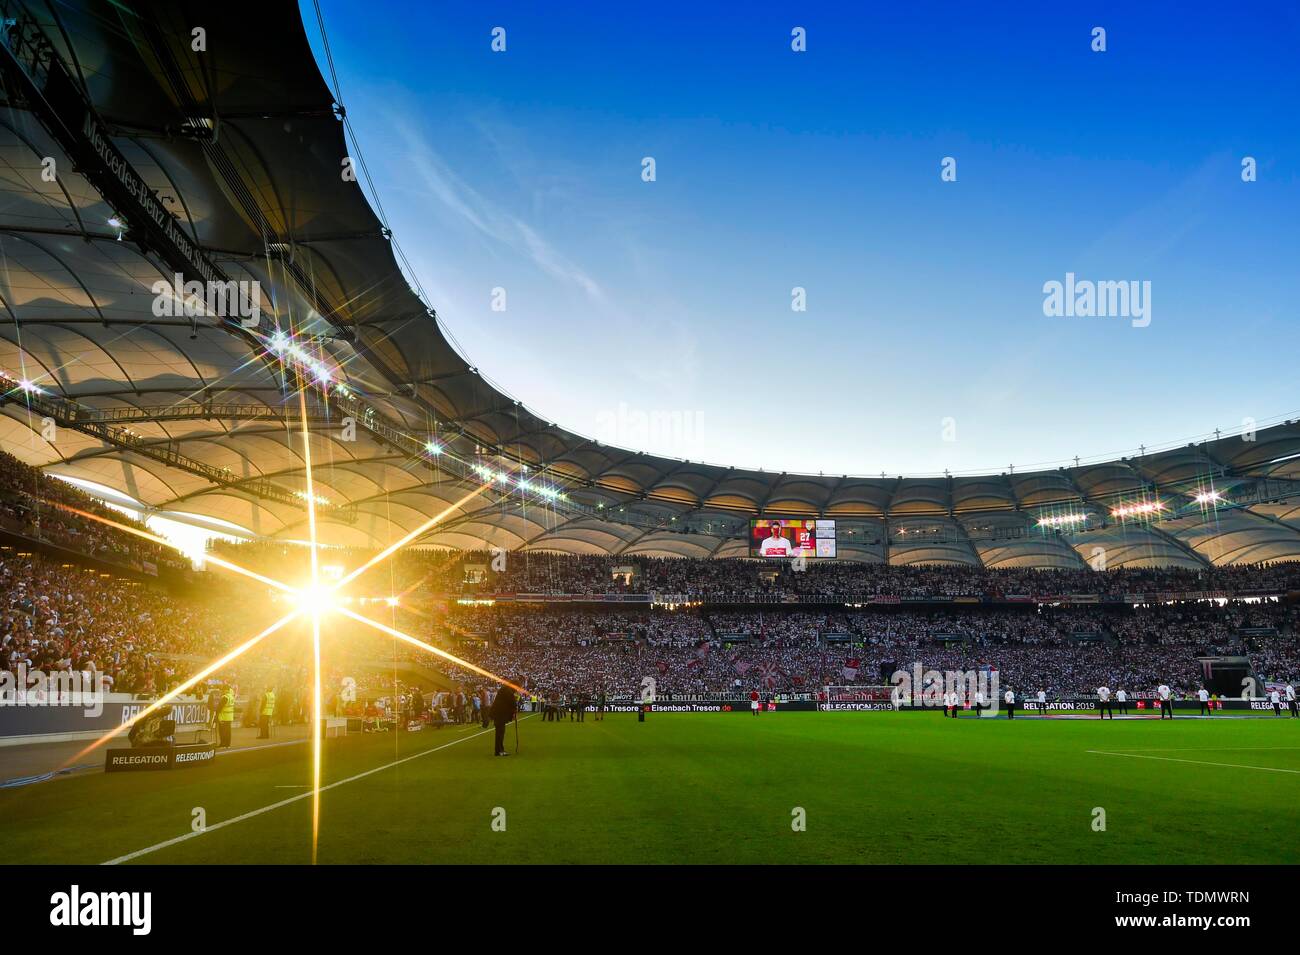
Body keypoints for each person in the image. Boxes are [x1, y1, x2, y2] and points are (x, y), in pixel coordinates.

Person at [489, 683, 517, 756]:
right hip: (500, 714)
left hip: (498, 714)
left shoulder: (505, 689)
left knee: (499, 733)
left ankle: (498, 750)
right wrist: (514, 710)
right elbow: (512, 702)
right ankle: (499, 751)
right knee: (500, 733)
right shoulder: (507, 691)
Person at [217, 683, 236, 748]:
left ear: (225, 690)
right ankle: (228, 744)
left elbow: (219, 708)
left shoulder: (225, 697)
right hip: (229, 717)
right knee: (228, 732)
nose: (222, 691)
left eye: (223, 690)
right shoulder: (231, 697)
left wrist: (216, 716)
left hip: (223, 717)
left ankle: (223, 744)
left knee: (222, 731)